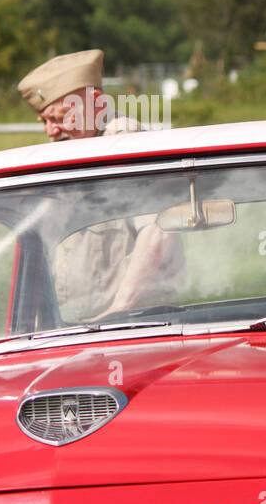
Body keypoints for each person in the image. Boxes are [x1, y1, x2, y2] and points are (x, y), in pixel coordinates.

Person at [17, 50, 181, 320]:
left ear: (95, 104)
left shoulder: (123, 142)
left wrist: (119, 311)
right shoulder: (72, 146)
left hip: (135, 326)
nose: (50, 131)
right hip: (79, 330)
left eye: (59, 118)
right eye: (45, 121)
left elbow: (159, 230)